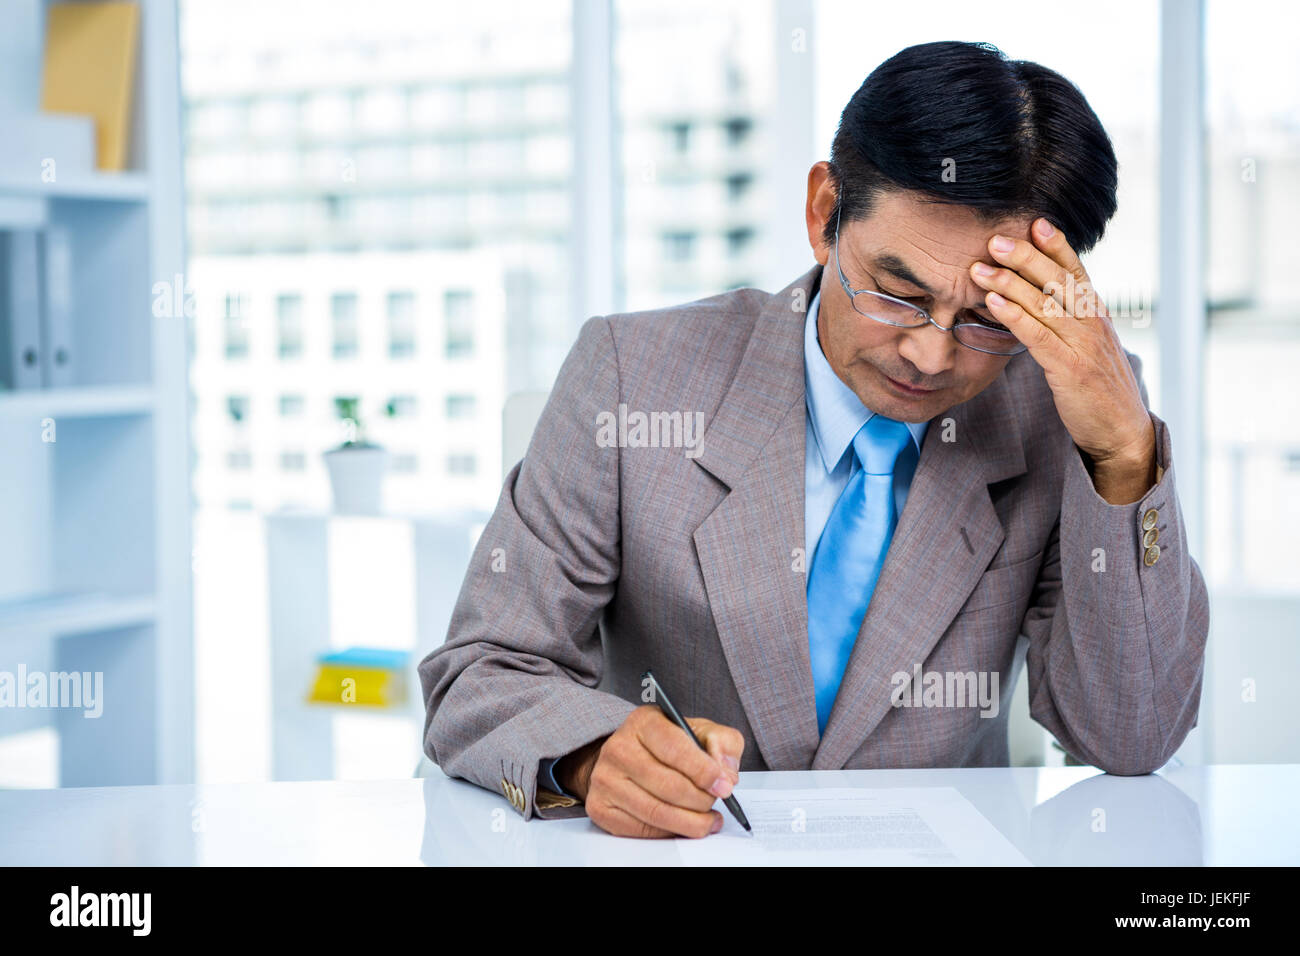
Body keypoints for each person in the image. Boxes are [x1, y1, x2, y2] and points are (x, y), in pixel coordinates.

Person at [418, 40, 1209, 839]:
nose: (930, 356)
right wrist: (590, 757)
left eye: (985, 319)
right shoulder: (633, 378)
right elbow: (479, 674)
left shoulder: (1059, 410)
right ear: (823, 213)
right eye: (898, 293)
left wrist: (1122, 455)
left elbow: (1131, 737)